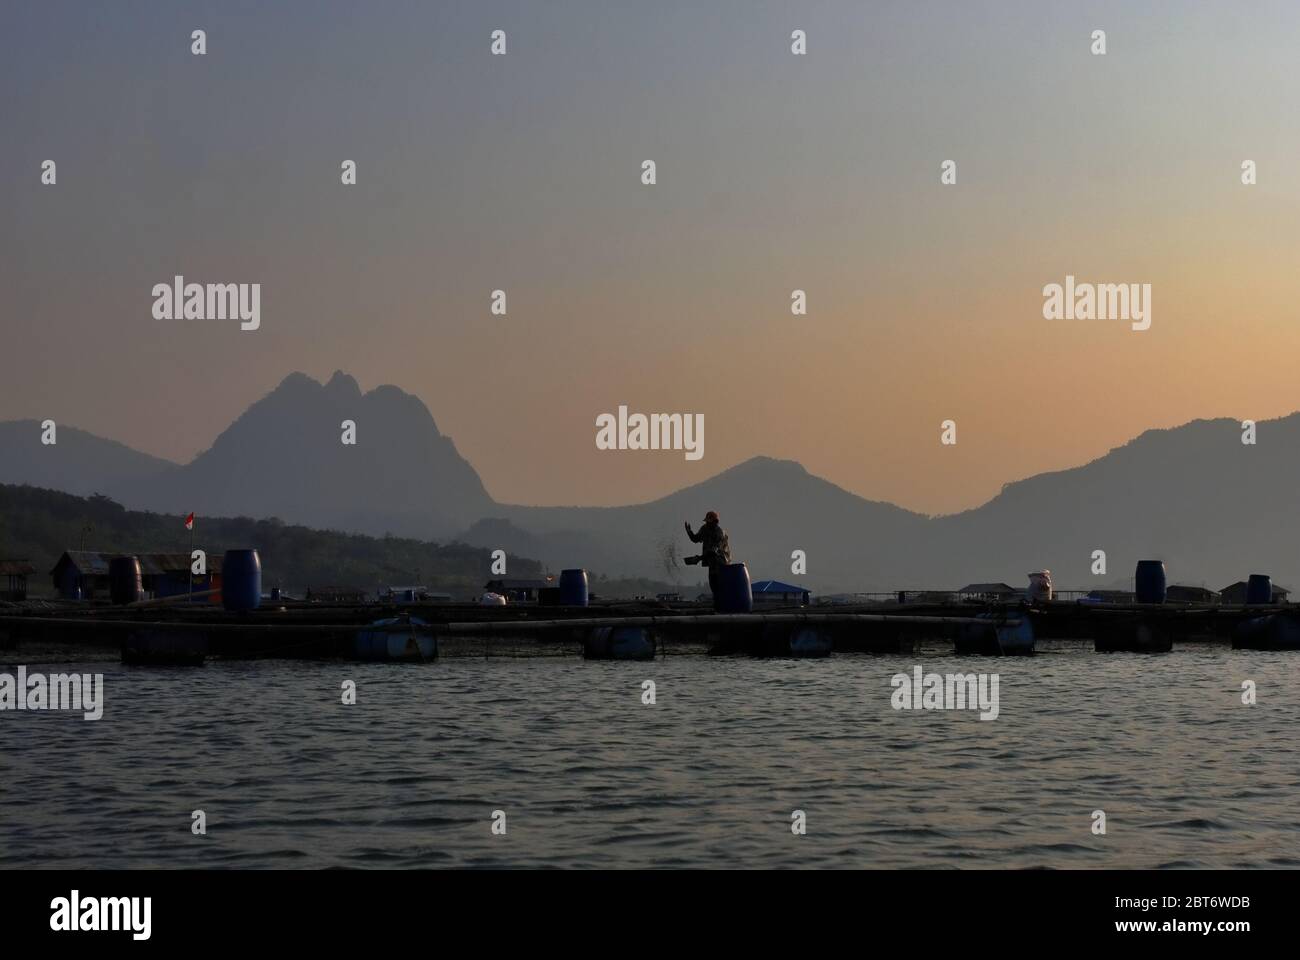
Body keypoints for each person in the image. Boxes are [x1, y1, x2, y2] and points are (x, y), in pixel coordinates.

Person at [684, 510, 731, 608]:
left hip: (721, 563)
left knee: (719, 585)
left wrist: (698, 558)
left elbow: (713, 551)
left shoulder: (719, 533)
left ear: (715, 522)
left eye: (709, 522)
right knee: (713, 584)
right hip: (711, 563)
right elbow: (696, 539)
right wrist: (689, 532)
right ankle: (717, 605)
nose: (707, 524)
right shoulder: (705, 529)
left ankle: (721, 605)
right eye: (706, 522)